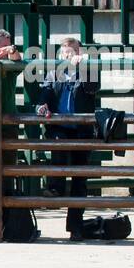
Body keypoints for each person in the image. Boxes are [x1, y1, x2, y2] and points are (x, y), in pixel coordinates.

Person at [36, 38, 99, 240]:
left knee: (80, 179)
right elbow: (45, 93)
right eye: (64, 53)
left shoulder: (89, 70)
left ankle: (76, 227)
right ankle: (55, 187)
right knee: (58, 145)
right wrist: (41, 106)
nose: (67, 56)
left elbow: (92, 88)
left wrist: (84, 65)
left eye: (71, 52)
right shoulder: (54, 72)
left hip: (82, 130)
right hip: (60, 128)